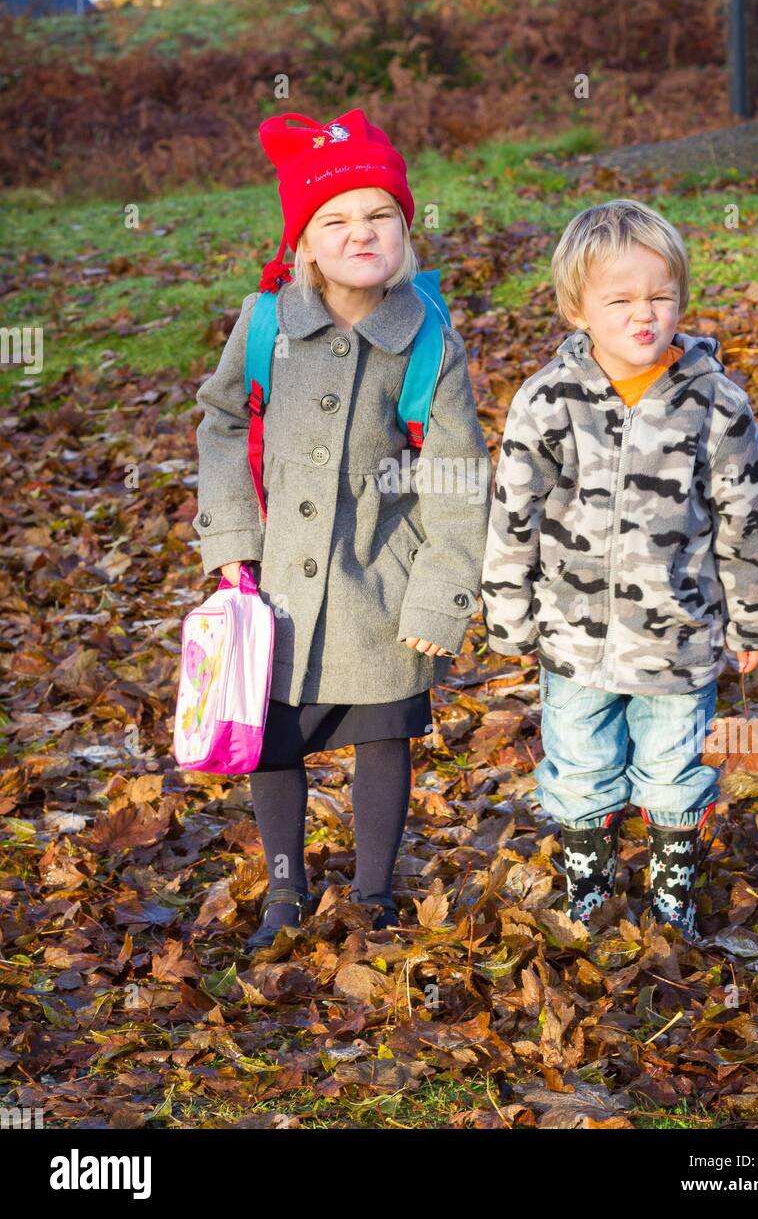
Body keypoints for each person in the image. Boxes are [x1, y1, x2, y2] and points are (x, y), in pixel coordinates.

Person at [193, 108, 491, 947]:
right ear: (305, 243)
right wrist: (230, 540)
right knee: (274, 732)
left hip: (379, 573)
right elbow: (223, 423)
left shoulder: (428, 340)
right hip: (276, 575)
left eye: (380, 216)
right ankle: (284, 890)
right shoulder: (263, 326)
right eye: (336, 219)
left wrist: (441, 593)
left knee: (383, 725)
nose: (361, 233)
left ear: (405, 229)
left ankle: (372, 892)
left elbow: (458, 474)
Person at [481, 198, 758, 940]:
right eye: (620, 300)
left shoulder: (715, 403)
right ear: (577, 309)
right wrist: (508, 611)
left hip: (679, 635)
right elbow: (513, 510)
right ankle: (591, 880)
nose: (644, 315)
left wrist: (754, 615)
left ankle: (670, 885)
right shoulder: (548, 402)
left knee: (674, 762)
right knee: (579, 759)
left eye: (660, 296)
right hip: (574, 636)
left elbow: (748, 515)